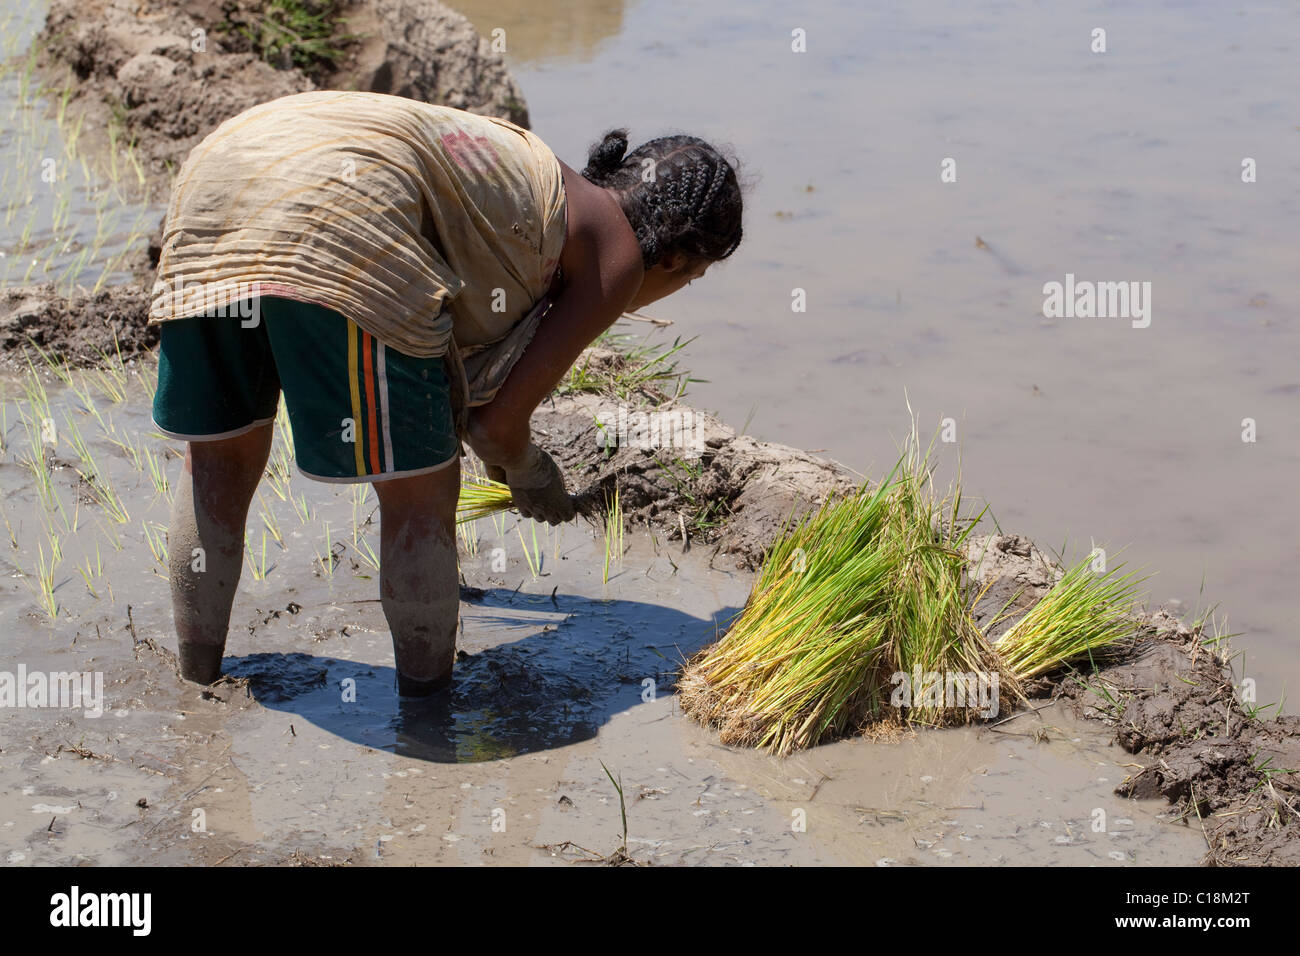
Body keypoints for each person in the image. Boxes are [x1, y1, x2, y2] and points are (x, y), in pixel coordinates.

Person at [148, 90, 743, 697]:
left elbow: (477, 388)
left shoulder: (533, 183)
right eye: (690, 278)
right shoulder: (617, 254)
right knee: (422, 493)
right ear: (674, 256)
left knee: (218, 459)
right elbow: (492, 429)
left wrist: (504, 442)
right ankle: (430, 717)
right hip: (341, 212)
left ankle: (197, 681)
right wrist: (530, 471)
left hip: (225, 171)